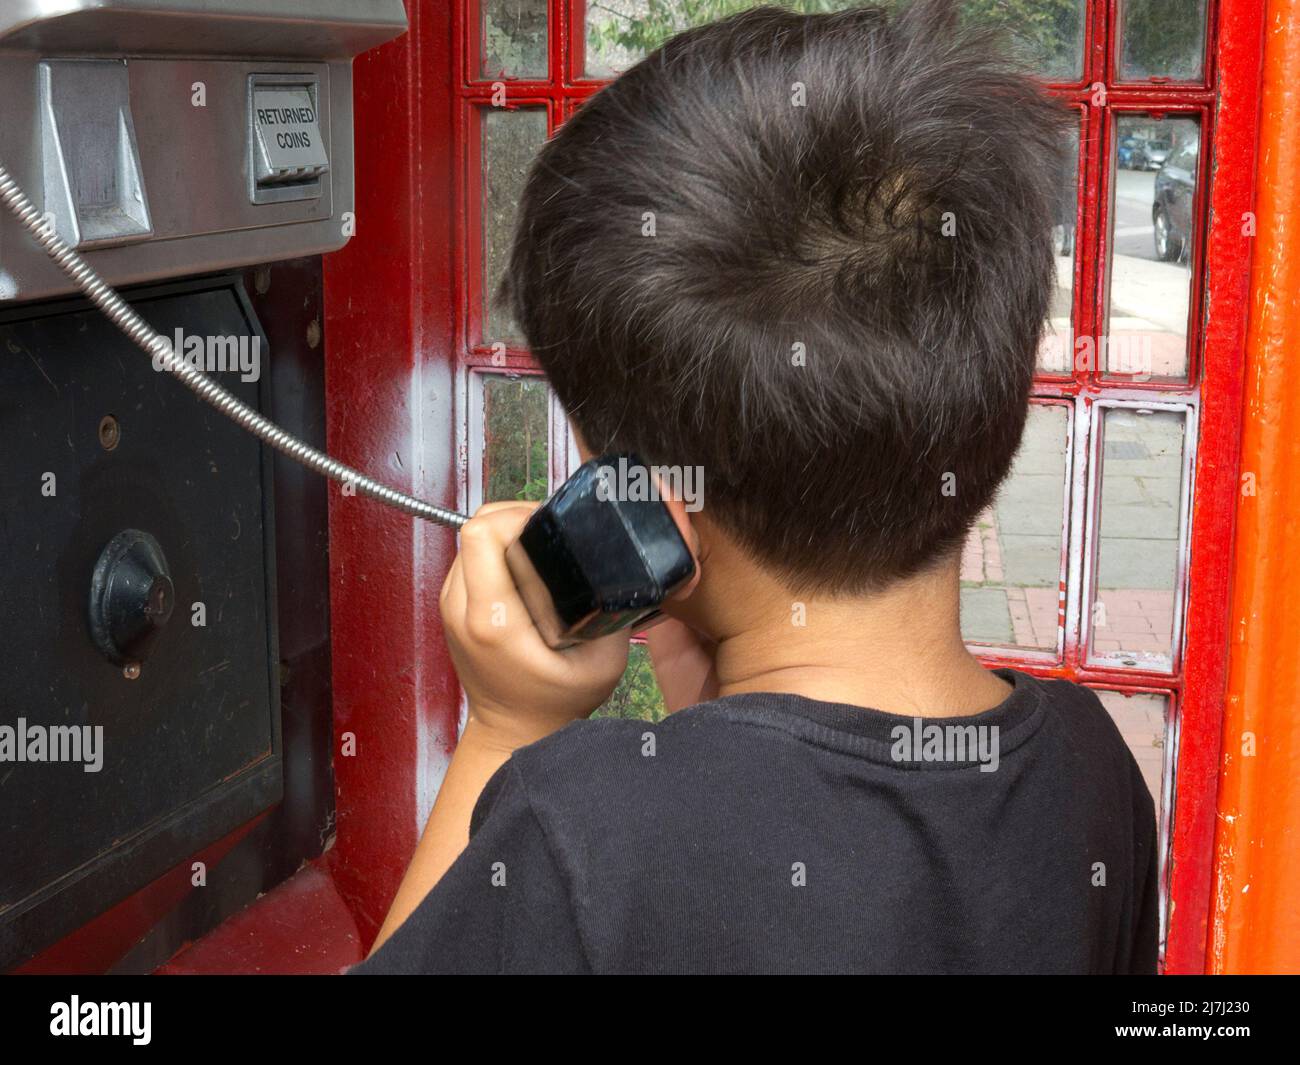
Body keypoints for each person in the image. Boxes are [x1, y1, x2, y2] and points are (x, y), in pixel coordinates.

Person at [353, 0, 1159, 974]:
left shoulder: (578, 832)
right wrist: (710, 709)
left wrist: (502, 729)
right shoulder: (1093, 772)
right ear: (989, 406)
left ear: (652, 504)